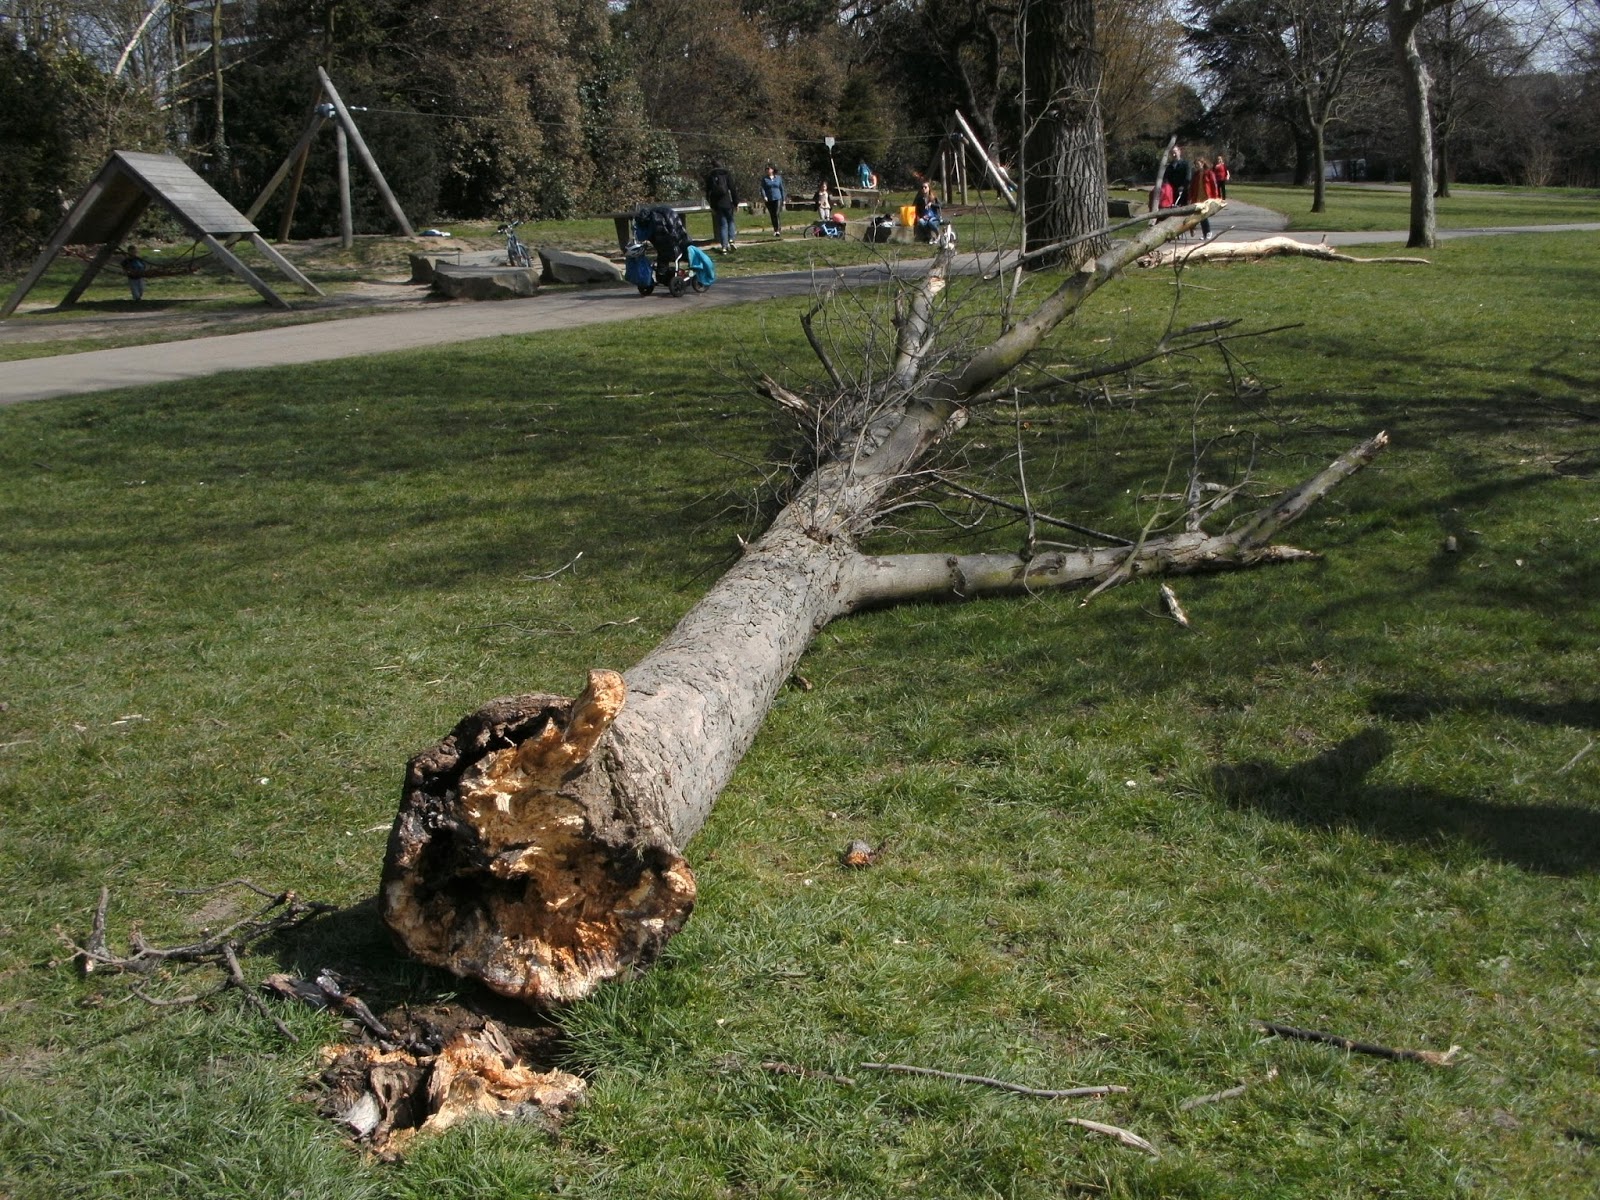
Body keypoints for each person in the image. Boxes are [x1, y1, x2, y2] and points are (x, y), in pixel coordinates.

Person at [704, 163, 739, 253]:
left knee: (723, 225)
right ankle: (731, 239)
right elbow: (732, 188)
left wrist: (712, 206)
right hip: (727, 202)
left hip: (717, 204)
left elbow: (708, 192)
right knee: (730, 221)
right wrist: (736, 203)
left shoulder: (710, 176)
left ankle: (724, 247)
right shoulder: (726, 174)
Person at [1193, 156, 1221, 237]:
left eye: (1198, 164)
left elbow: (1214, 185)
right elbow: (1193, 187)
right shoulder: (1196, 174)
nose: (1197, 166)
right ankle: (1205, 233)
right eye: (1195, 165)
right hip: (1198, 197)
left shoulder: (1209, 173)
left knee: (1203, 215)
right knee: (1200, 216)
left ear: (1202, 163)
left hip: (1206, 197)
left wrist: (1215, 197)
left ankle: (1208, 232)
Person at [759, 164, 786, 238]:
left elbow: (781, 188)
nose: (767, 170)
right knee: (772, 215)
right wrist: (764, 196)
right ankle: (775, 229)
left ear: (772, 170)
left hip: (777, 198)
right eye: (766, 169)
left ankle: (778, 230)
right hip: (769, 198)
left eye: (769, 169)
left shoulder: (778, 178)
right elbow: (762, 188)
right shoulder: (764, 179)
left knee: (776, 213)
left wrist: (784, 199)